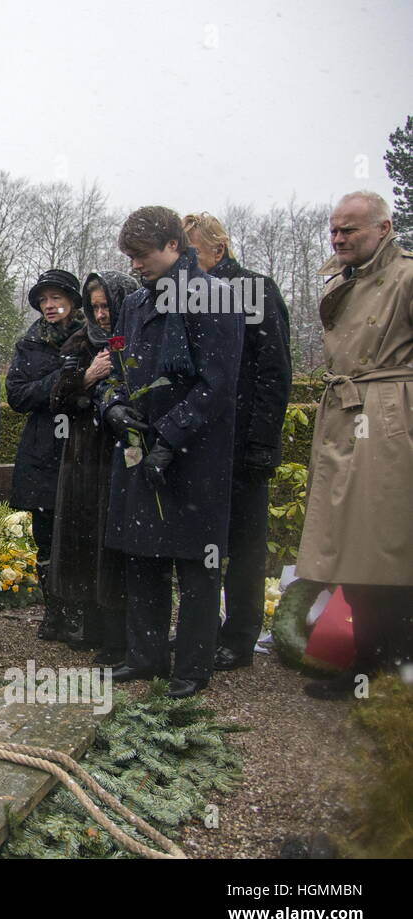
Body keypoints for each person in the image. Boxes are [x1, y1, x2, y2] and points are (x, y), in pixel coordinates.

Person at [105, 206, 243, 699]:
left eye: (141, 256)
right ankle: (145, 656)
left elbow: (217, 384)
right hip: (139, 448)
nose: (135, 266)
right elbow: (118, 365)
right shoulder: (135, 305)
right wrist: (114, 407)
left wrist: (171, 437)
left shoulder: (216, 298)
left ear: (172, 246)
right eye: (129, 257)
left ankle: (192, 665)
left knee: (196, 565)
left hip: (195, 455)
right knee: (142, 557)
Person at [297, 191, 413, 690]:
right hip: (350, 413)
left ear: (384, 229)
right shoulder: (347, 279)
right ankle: (369, 665)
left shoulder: (407, 277)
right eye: (334, 229)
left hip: (390, 420)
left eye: (351, 230)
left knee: (387, 548)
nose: (338, 238)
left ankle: (388, 670)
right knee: (353, 551)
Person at [183, 212, 292, 671]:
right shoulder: (187, 296)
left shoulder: (255, 290)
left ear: (218, 250)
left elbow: (274, 374)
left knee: (245, 547)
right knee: (205, 543)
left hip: (242, 444)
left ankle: (240, 636)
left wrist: (261, 445)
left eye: (192, 254)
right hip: (205, 444)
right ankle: (203, 631)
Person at [47, 271, 140, 663]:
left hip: (122, 453)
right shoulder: (80, 341)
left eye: (107, 306)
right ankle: (86, 621)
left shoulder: (138, 337)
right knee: (83, 538)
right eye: (96, 306)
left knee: (113, 540)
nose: (102, 315)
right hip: (84, 455)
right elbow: (58, 398)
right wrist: (88, 377)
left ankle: (120, 629)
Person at [7, 268, 86, 642]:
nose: (50, 306)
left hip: (82, 447)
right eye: (43, 301)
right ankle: (53, 610)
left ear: (72, 300)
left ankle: (78, 612)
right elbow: (19, 396)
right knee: (45, 537)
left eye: (56, 298)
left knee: (78, 536)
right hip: (42, 449)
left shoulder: (93, 339)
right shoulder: (30, 343)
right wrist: (64, 382)